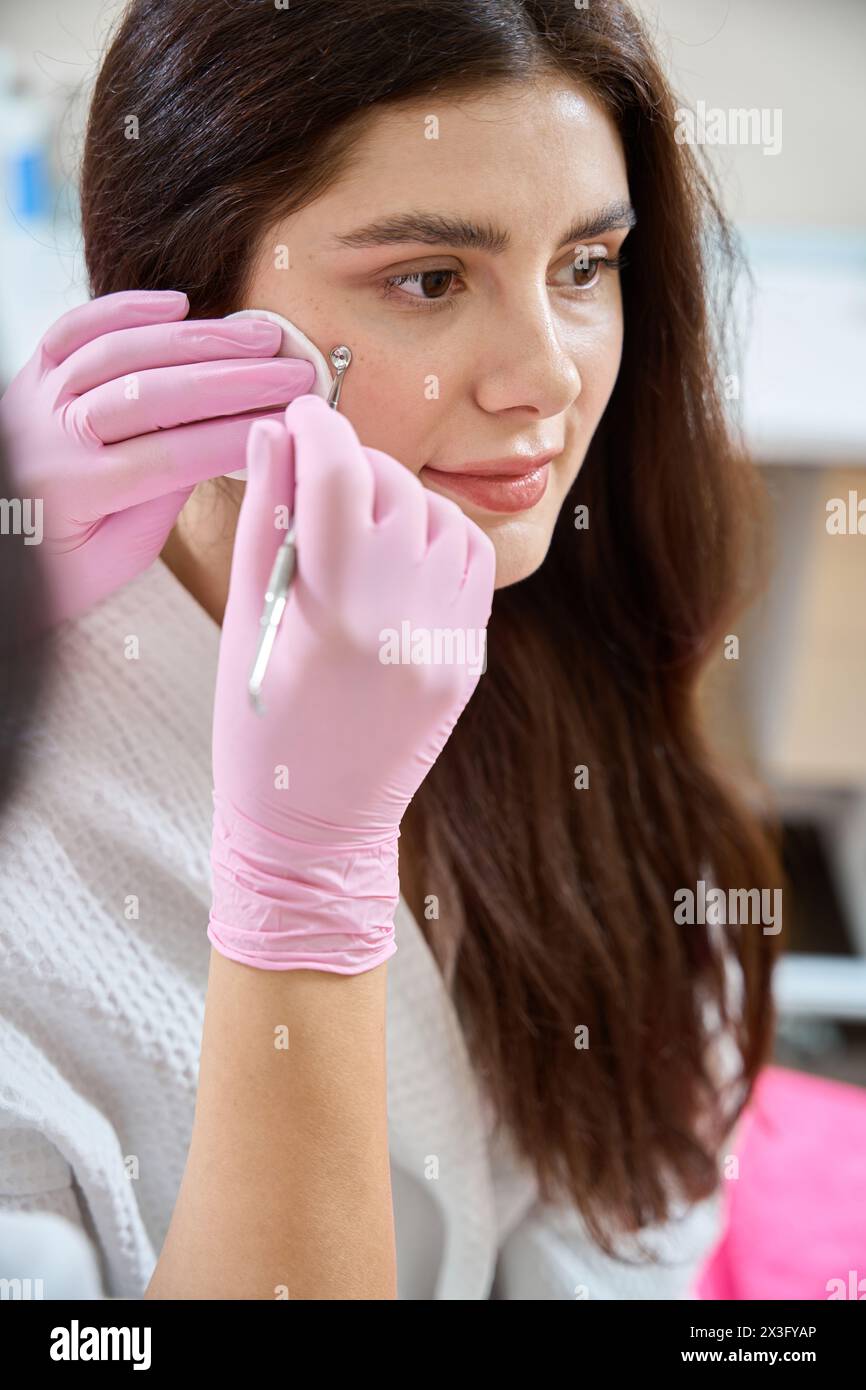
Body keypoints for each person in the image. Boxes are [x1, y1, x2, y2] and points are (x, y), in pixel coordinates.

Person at [0, 0, 782, 1299]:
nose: (543, 375)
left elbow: (636, 1221)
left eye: (583, 265)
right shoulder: (36, 772)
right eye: (428, 279)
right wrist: (304, 887)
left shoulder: (568, 640)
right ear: (182, 303)